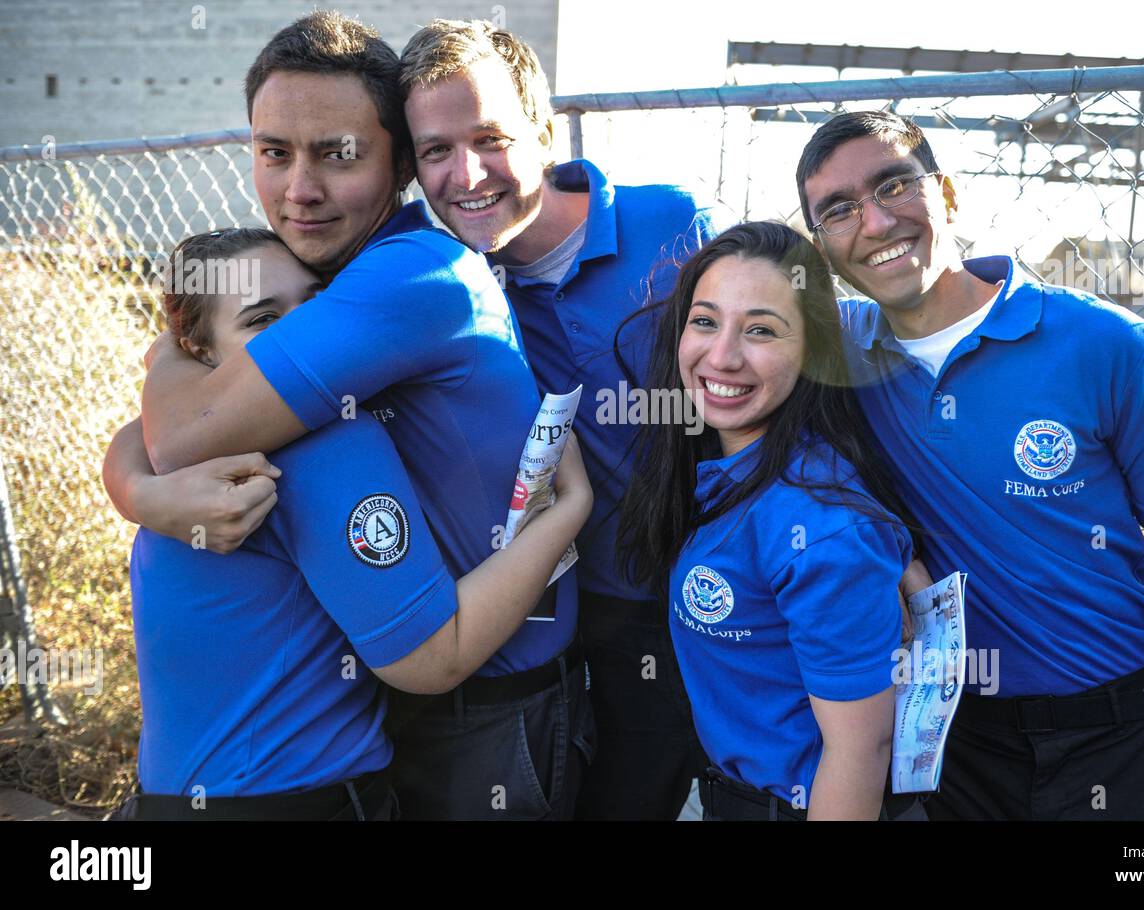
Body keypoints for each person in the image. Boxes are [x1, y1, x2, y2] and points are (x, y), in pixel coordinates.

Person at [101, 11, 592, 820]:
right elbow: (177, 429)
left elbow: (184, 433)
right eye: (274, 153)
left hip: (486, 709)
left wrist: (165, 368)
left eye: (338, 154)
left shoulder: (409, 277)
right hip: (394, 691)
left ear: (398, 161)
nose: (300, 189)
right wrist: (140, 486)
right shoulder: (318, 279)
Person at [797, 109, 1144, 819]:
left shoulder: (1107, 345)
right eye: (840, 210)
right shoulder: (833, 359)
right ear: (823, 245)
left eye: (893, 188)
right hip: (952, 751)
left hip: (1120, 737)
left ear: (945, 195)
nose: (876, 224)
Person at [397, 19, 718, 819]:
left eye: (492, 139)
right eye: (435, 151)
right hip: (548, 616)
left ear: (543, 131)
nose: (466, 174)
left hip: (688, 601)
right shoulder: (442, 278)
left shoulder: (671, 228)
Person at [617, 221, 917, 821]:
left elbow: (860, 751)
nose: (722, 356)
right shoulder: (719, 468)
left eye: (760, 330)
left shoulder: (821, 528)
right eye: (705, 321)